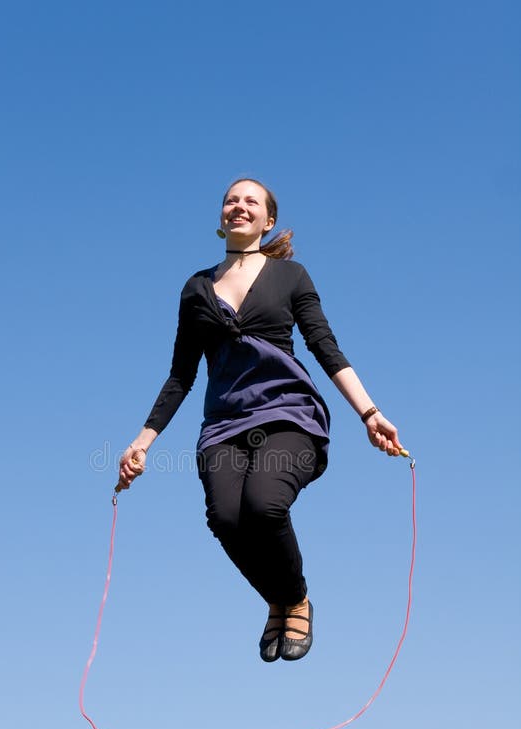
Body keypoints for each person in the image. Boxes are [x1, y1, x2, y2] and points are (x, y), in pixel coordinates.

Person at [117, 178, 403, 663]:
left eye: (252, 200)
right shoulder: (196, 289)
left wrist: (370, 413)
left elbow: (325, 347)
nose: (239, 205)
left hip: (289, 413)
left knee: (264, 506)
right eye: (232, 199)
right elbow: (181, 376)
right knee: (226, 517)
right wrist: (142, 441)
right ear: (221, 216)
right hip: (224, 424)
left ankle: (295, 599)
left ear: (267, 220)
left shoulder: (290, 276)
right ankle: (278, 598)